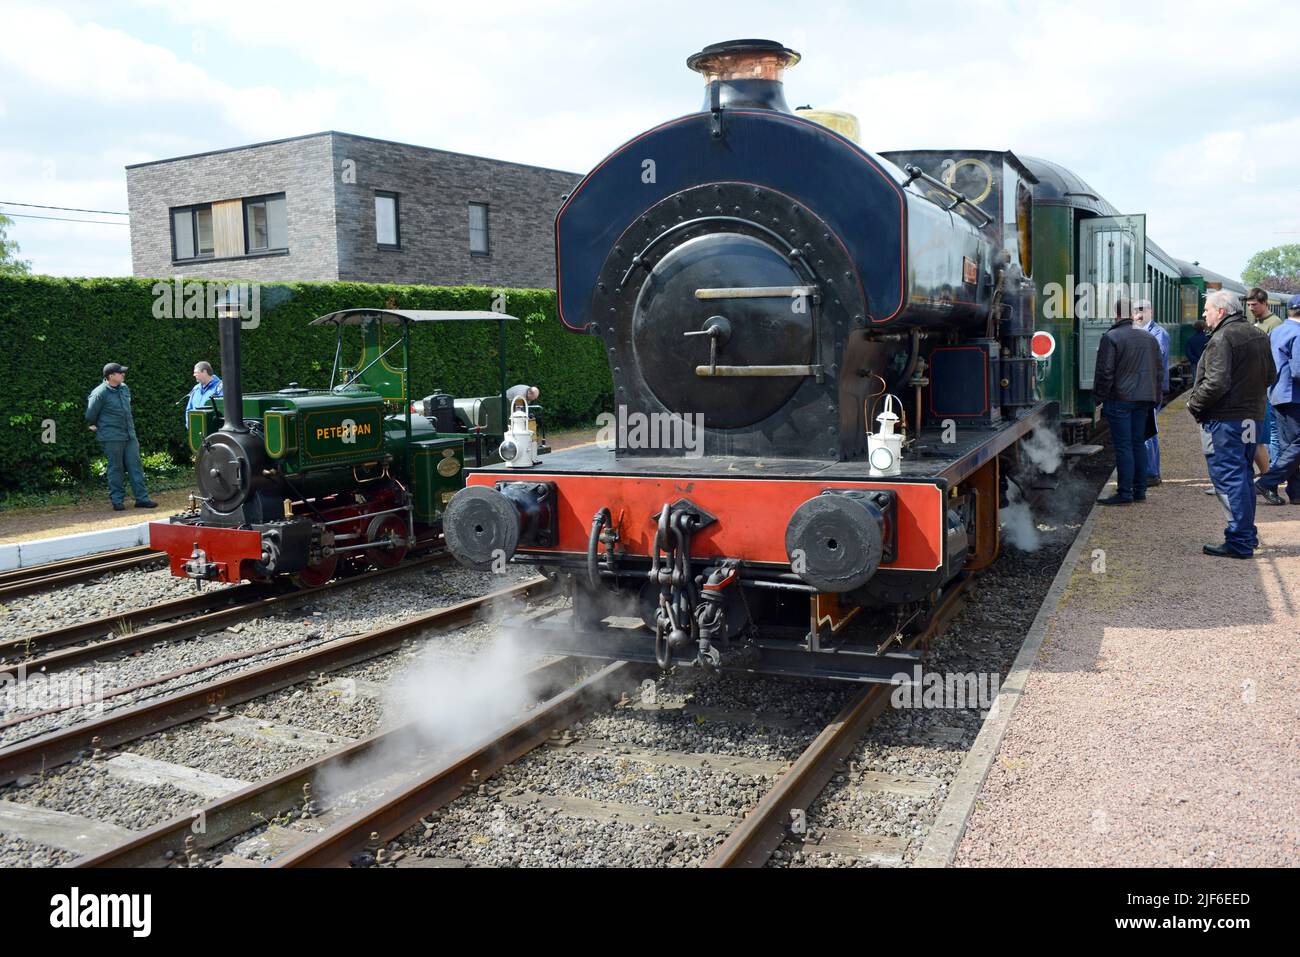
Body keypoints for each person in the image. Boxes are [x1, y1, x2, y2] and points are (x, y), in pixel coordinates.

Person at [1186, 290, 1276, 558]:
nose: (1204, 314)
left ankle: (1238, 541)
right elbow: (1270, 375)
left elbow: (1216, 382)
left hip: (1226, 421)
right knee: (1244, 477)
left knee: (1228, 478)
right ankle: (1247, 535)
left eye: (1207, 309)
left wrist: (1194, 405)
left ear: (1221, 311)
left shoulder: (1222, 338)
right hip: (1252, 418)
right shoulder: (1258, 335)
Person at [1092, 301, 1163, 505]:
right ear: (1131, 314)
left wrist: (1100, 398)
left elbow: (1105, 372)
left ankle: (1125, 493)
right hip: (1144, 398)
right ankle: (1139, 491)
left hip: (1120, 399)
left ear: (1115, 314)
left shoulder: (1111, 337)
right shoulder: (1149, 338)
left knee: (1123, 446)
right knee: (1138, 443)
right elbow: (1159, 371)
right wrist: (1155, 397)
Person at [85, 363, 157, 511]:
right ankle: (117, 501)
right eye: (120, 373)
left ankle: (142, 499)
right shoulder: (99, 393)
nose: (123, 375)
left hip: (130, 435)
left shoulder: (124, 388)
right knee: (115, 468)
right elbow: (90, 414)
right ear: (111, 376)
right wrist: (94, 425)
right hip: (111, 437)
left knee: (135, 466)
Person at [1255, 294, 1300, 506]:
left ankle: (1296, 492)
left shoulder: (1278, 331)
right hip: (1294, 395)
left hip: (1277, 393)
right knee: (1297, 445)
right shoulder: (1299, 333)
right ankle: (1266, 482)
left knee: (1287, 445)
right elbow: (1299, 370)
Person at [1246, 288, 1282, 474]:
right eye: (1249, 305)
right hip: (1257, 385)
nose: (1251, 308)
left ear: (1265, 303)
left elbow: (1274, 358)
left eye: (1255, 305)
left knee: (1269, 433)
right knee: (1256, 434)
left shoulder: (1274, 324)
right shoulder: (1256, 323)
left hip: (1266, 387)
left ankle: (1273, 472)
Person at [1133, 299, 1169, 485]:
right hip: (1144, 388)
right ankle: (1149, 470)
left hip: (1151, 389)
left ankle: (1151, 473)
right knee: (1146, 431)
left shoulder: (1157, 333)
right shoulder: (1141, 332)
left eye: (1141, 310)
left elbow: (1155, 361)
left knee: (1149, 432)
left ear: (1150, 311)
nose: (1137, 315)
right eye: (1134, 311)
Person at [185, 361, 223, 425]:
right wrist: (190, 426)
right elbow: (188, 410)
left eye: (196, 372)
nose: (194, 375)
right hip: (196, 431)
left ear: (204, 372)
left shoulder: (220, 388)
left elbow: (223, 411)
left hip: (213, 431)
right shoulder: (195, 389)